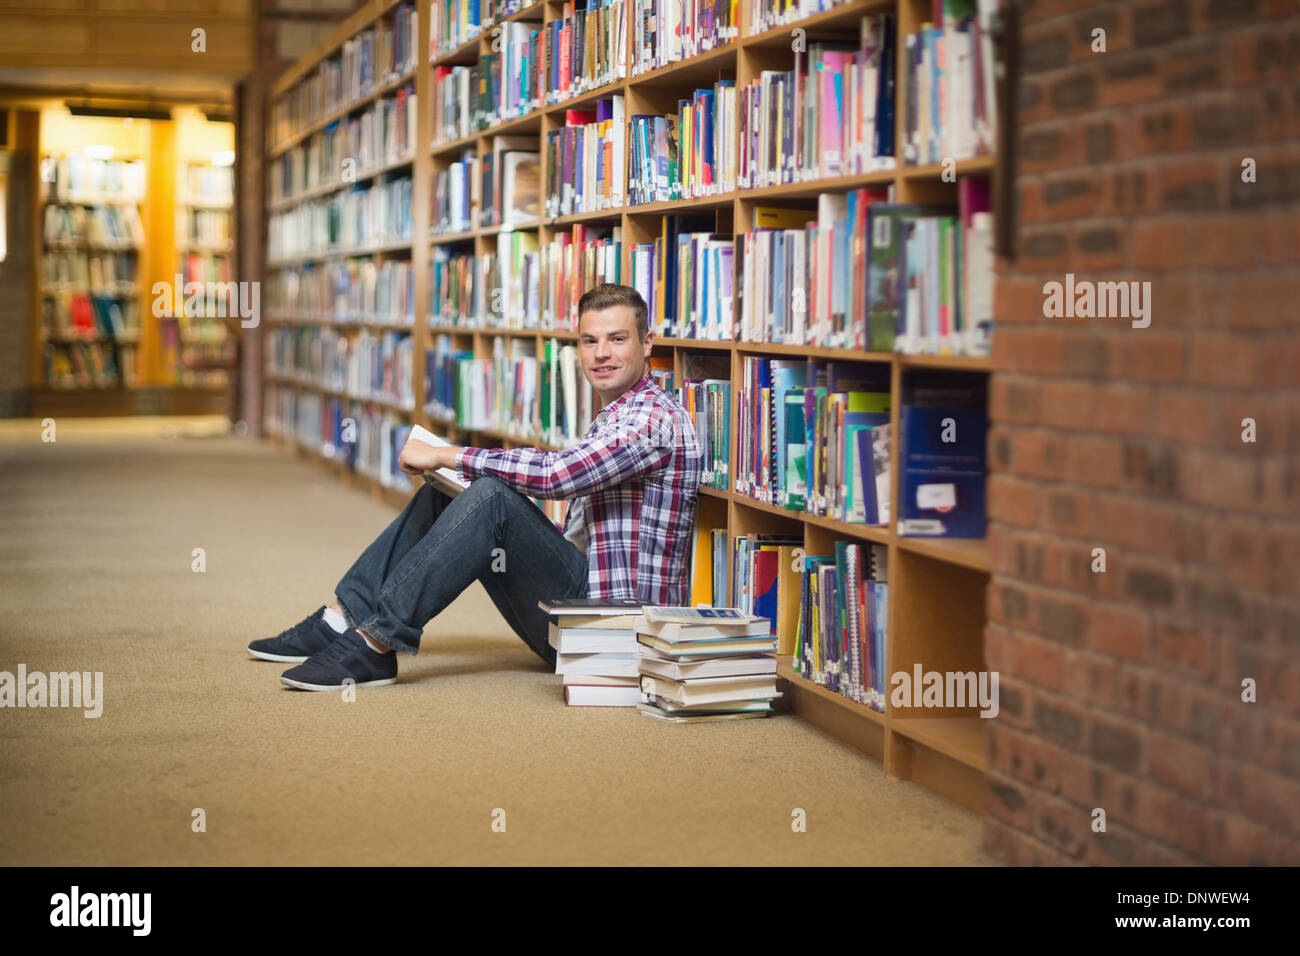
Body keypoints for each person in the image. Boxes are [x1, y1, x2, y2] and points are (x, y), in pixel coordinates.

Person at [248, 284, 703, 691]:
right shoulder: (619, 412)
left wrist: (447, 453)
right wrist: (453, 471)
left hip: (620, 635)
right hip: (582, 611)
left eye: (617, 339)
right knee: (447, 493)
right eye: (590, 341)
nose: (601, 353)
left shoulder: (653, 420)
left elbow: (556, 477)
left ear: (646, 344)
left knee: (491, 500)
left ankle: (375, 642)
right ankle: (341, 617)